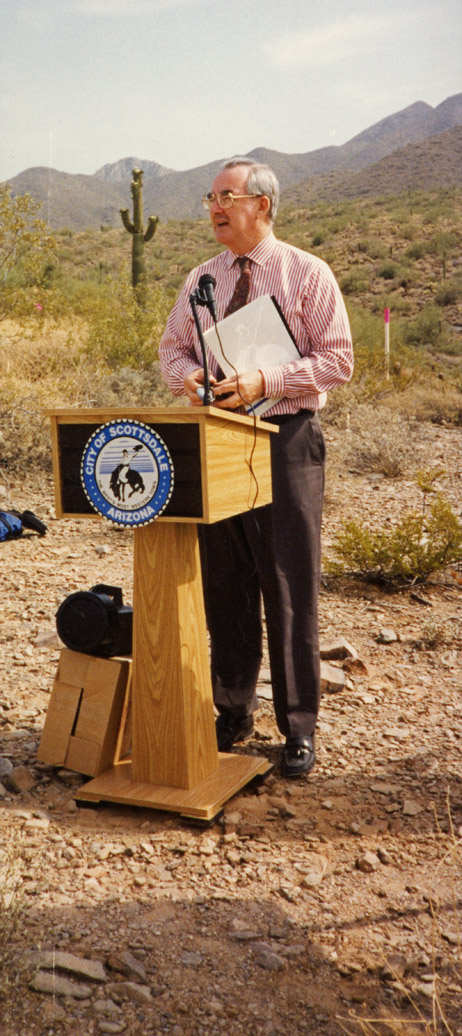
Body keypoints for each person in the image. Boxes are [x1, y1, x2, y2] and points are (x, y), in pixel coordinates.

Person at [159, 157, 353, 777]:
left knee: (288, 583)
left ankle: (298, 727)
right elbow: (172, 349)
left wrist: (266, 378)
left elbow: (338, 360)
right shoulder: (201, 279)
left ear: (262, 205)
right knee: (226, 580)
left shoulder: (306, 273)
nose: (215, 207)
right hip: (219, 438)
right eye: (210, 198)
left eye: (227, 196)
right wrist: (187, 378)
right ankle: (232, 710)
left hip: (286, 438)